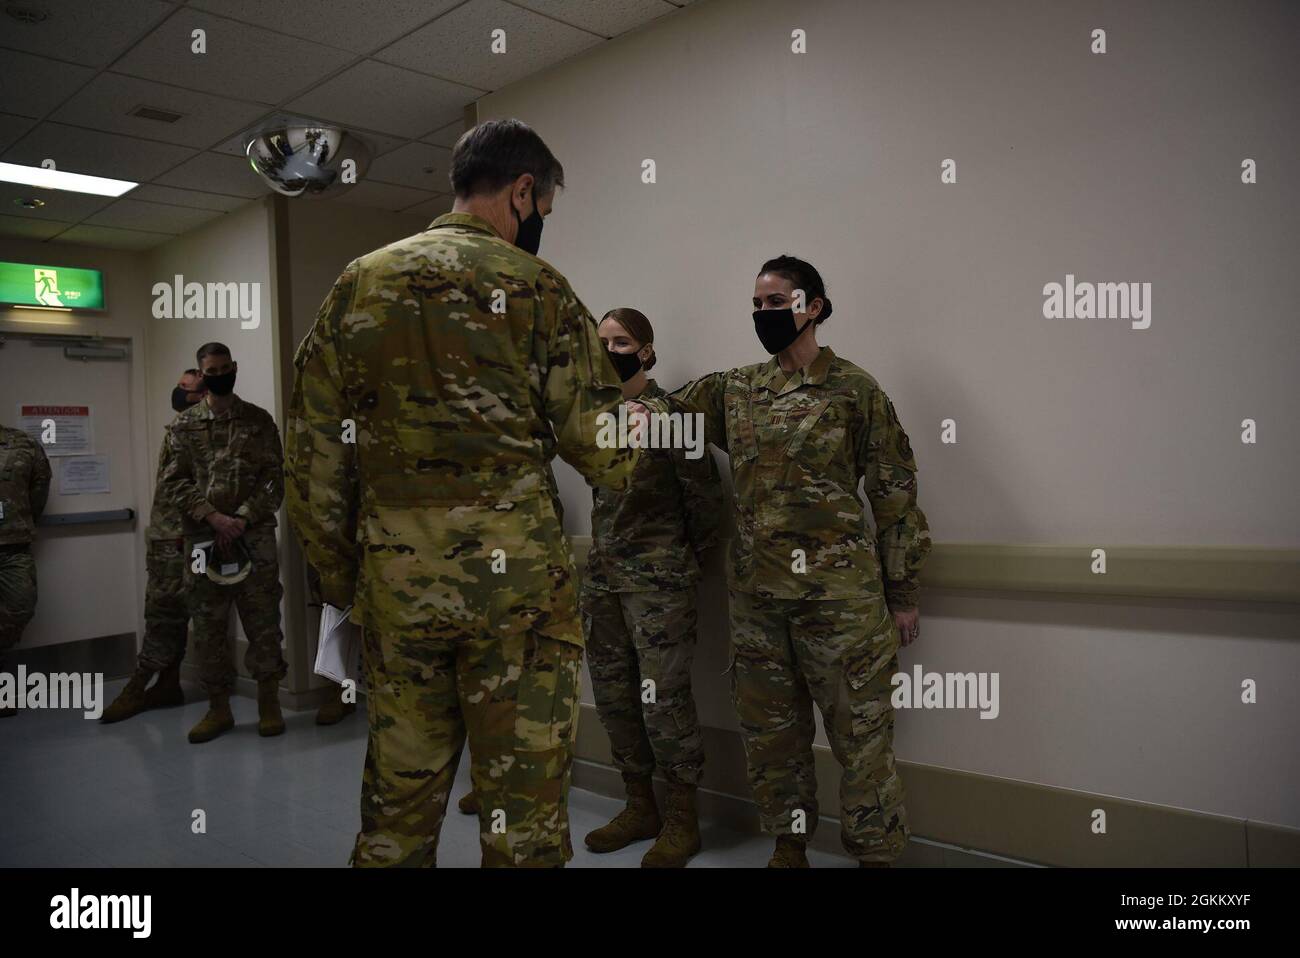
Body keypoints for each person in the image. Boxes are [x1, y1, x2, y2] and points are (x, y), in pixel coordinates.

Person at [285, 118, 637, 867]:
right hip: (519, 606)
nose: (539, 219)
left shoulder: (359, 281)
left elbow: (311, 459)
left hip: (398, 592)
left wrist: (351, 581)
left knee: (395, 822)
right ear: (521, 192)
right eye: (541, 204)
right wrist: (636, 425)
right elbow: (603, 456)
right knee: (523, 830)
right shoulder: (537, 288)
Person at [632, 255, 930, 867]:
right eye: (758, 305)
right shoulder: (737, 389)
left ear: (813, 307)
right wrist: (635, 413)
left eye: (777, 303)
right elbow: (667, 411)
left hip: (839, 604)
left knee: (862, 743)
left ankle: (875, 856)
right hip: (759, 604)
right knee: (774, 740)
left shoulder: (855, 389)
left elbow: (895, 495)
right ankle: (788, 847)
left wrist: (902, 594)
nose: (764, 314)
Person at [579, 307, 721, 866]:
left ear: (646, 349)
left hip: (660, 583)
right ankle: (640, 806)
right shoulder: (597, 416)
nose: (610, 349)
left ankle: (683, 819)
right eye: (602, 342)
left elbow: (706, 503)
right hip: (603, 580)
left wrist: (682, 565)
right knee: (614, 697)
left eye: (621, 341)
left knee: (663, 700)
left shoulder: (673, 416)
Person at [160, 342, 288, 743]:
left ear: (234, 367)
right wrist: (212, 516)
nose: (219, 374)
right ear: (201, 375)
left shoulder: (259, 421)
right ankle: (219, 708)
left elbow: (274, 477)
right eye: (210, 370)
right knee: (208, 626)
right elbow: (173, 482)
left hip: (254, 539)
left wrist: (244, 516)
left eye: (224, 367)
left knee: (264, 623)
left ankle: (269, 703)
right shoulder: (183, 427)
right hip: (204, 541)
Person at [102, 370, 209, 724]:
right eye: (178, 385)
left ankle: (139, 685)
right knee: (170, 611)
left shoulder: (198, 432)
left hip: (180, 536)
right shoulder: (180, 428)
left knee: (163, 612)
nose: (179, 392)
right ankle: (168, 683)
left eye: (186, 388)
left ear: (202, 394)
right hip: (168, 535)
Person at [0, 422, 51, 718]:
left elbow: (39, 490)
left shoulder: (23, 443)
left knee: (21, 606)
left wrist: (19, 521)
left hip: (13, 545)